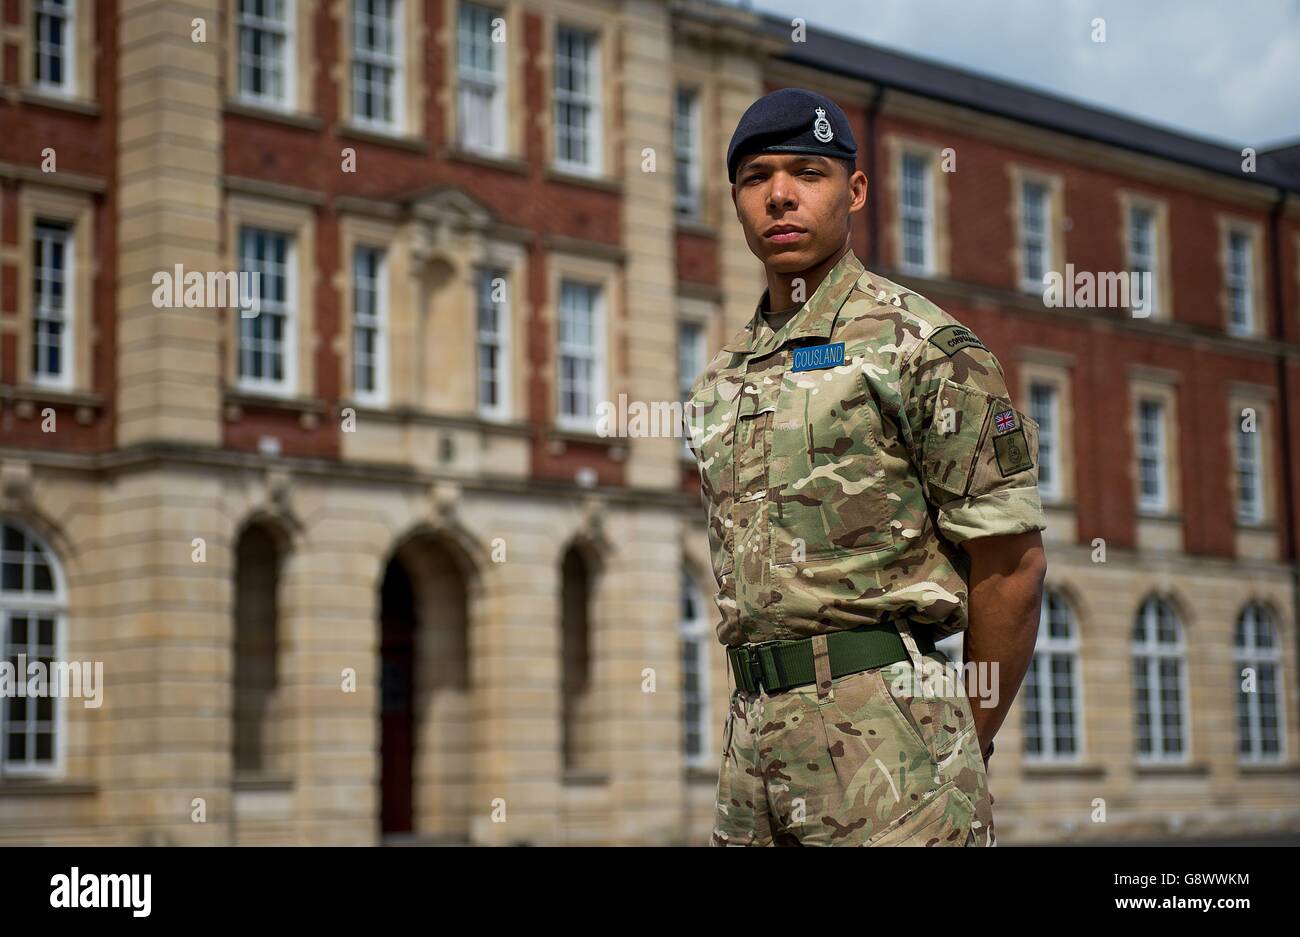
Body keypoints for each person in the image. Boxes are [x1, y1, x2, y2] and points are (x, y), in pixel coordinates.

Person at [684, 88, 1047, 846]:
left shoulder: (924, 346)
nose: (779, 194)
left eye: (806, 173)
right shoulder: (722, 378)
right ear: (735, 200)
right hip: (752, 745)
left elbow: (1010, 565)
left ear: (854, 191)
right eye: (756, 177)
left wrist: (960, 744)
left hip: (892, 741)